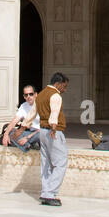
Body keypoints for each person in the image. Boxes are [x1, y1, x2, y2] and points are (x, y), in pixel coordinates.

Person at [23, 72, 69, 206]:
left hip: (42, 131)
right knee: (60, 162)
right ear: (58, 84)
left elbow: (32, 113)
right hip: (52, 131)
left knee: (46, 163)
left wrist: (23, 127)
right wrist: (54, 128)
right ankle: (50, 193)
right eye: (64, 86)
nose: (64, 90)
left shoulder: (41, 94)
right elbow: (54, 113)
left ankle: (45, 192)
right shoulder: (55, 95)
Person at [1, 85, 41, 152]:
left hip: (39, 133)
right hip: (29, 132)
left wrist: (28, 138)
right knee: (11, 132)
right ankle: (28, 145)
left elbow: (45, 128)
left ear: (36, 94)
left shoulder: (42, 105)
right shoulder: (24, 106)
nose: (28, 96)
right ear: (24, 97)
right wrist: (6, 134)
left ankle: (28, 143)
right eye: (26, 95)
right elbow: (14, 121)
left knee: (43, 134)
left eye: (31, 94)